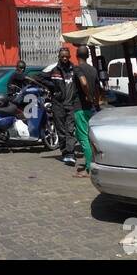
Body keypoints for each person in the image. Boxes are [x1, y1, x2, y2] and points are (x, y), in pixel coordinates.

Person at [45, 47, 80, 166]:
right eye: (62, 56)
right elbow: (38, 77)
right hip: (58, 105)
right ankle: (64, 152)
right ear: (59, 57)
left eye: (67, 56)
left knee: (70, 130)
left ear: (70, 57)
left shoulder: (74, 70)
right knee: (61, 130)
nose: (65, 58)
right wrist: (52, 87)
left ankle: (70, 153)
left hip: (71, 105)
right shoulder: (54, 70)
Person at [73, 46, 102, 178]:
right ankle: (92, 163)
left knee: (83, 138)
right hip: (91, 108)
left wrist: (87, 94)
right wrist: (95, 100)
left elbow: (83, 83)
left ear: (76, 55)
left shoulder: (78, 68)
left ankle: (89, 169)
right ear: (88, 56)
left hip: (80, 107)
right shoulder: (93, 69)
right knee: (90, 137)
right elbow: (98, 88)